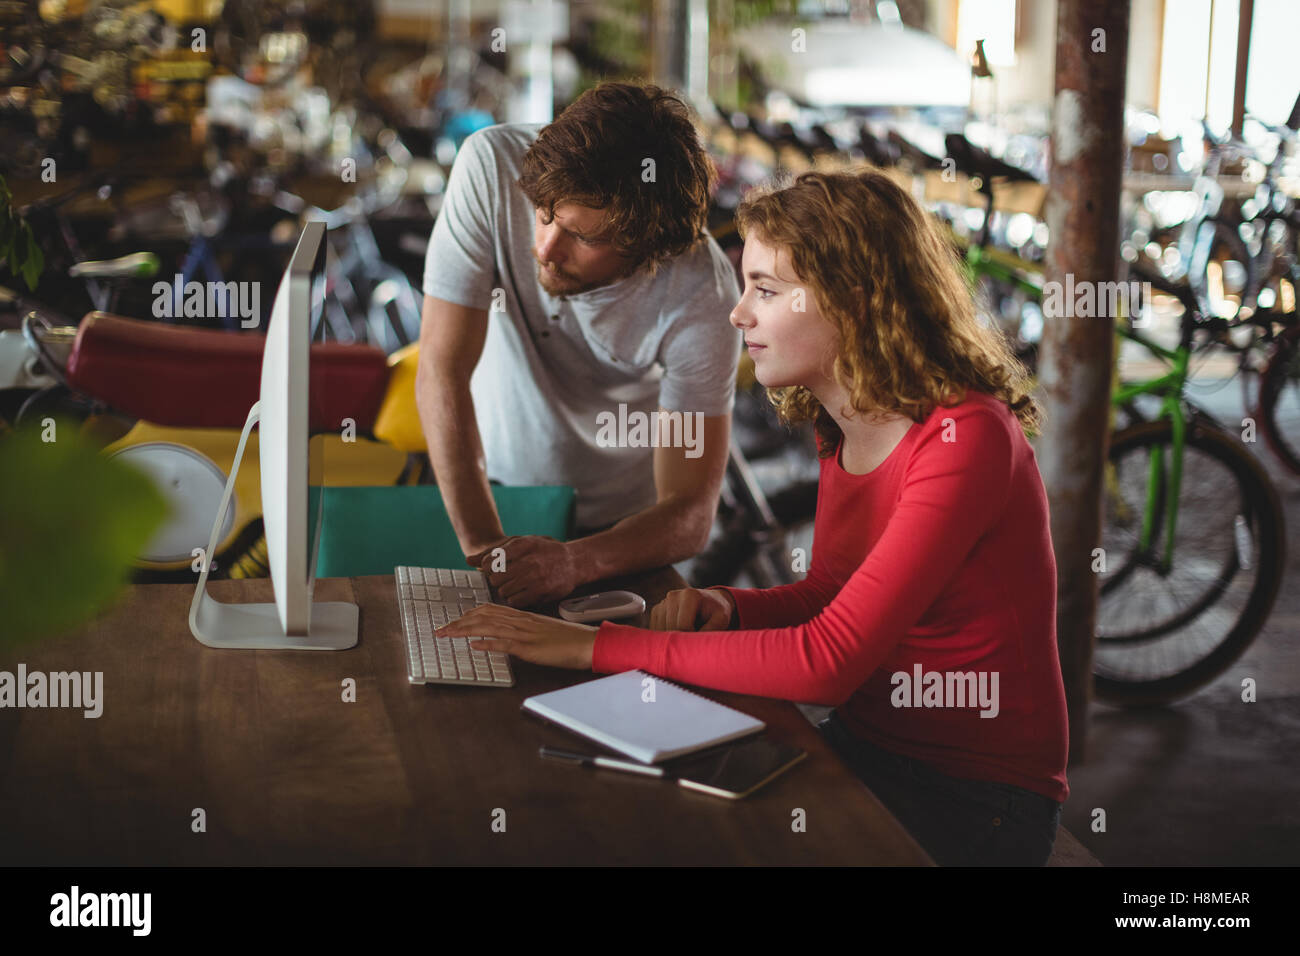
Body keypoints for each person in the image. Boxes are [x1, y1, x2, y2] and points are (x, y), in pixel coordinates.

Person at [439, 168, 1070, 866]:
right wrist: (728, 606)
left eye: (765, 290)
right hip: (864, 744)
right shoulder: (848, 421)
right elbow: (832, 595)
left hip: (976, 797)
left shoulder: (964, 437)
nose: (739, 315)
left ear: (855, 299)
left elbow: (828, 662)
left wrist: (592, 648)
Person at [417, 82, 741, 608]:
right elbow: (441, 367)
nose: (546, 248)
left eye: (584, 237)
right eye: (544, 213)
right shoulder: (491, 167)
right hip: (490, 487)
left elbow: (689, 512)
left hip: (621, 526)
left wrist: (576, 561)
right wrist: (486, 552)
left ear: (648, 247)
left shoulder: (702, 293)